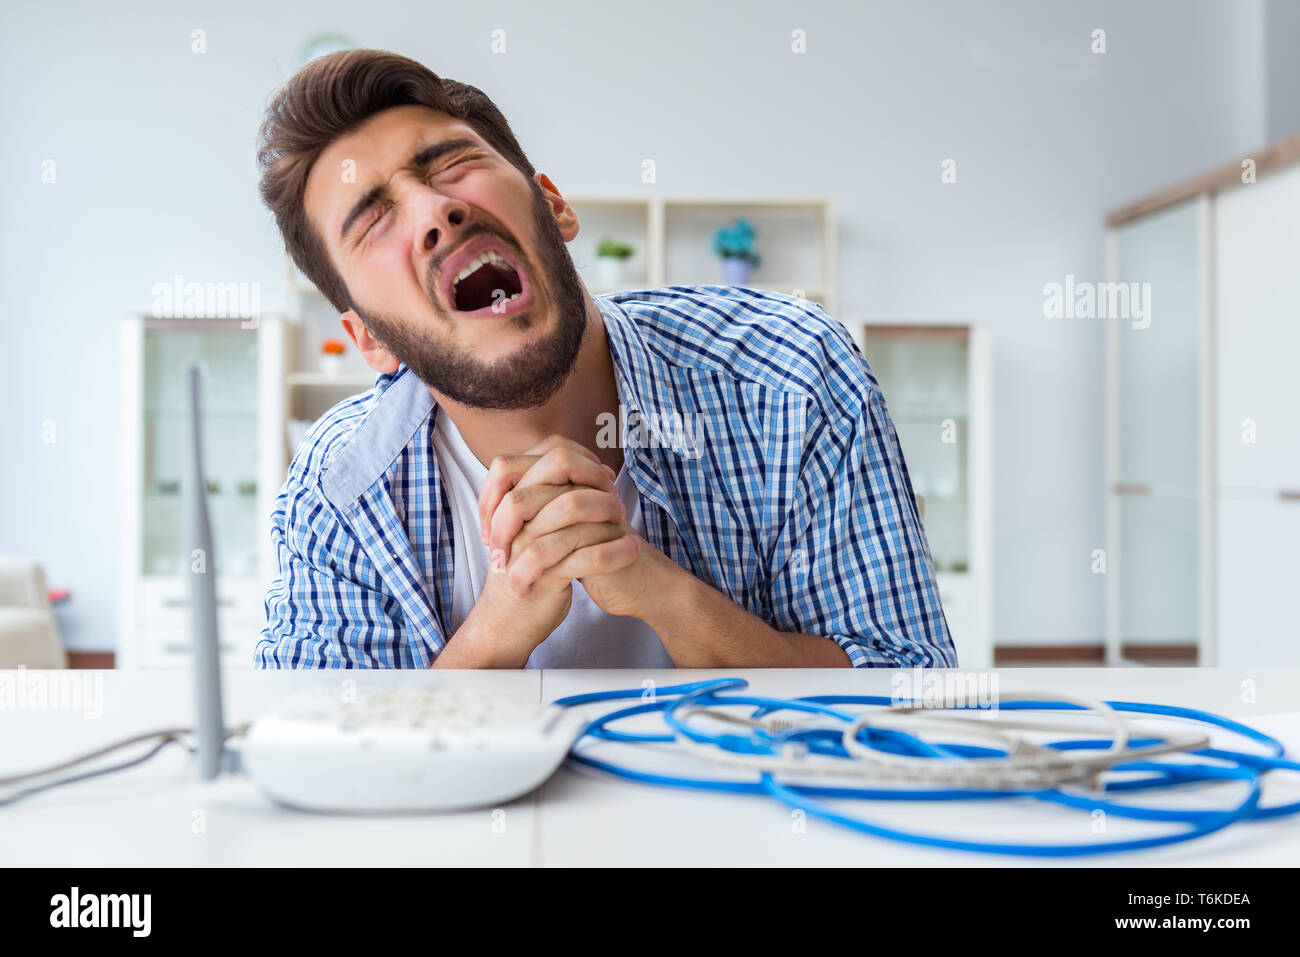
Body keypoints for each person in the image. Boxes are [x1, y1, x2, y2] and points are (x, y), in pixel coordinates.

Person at [253, 49, 955, 669]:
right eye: (374, 218)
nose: (435, 211)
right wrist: (495, 633)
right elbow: (326, 760)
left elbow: (908, 687)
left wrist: (665, 595)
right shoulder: (340, 484)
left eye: (451, 164)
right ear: (368, 338)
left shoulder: (793, 375)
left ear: (552, 205)